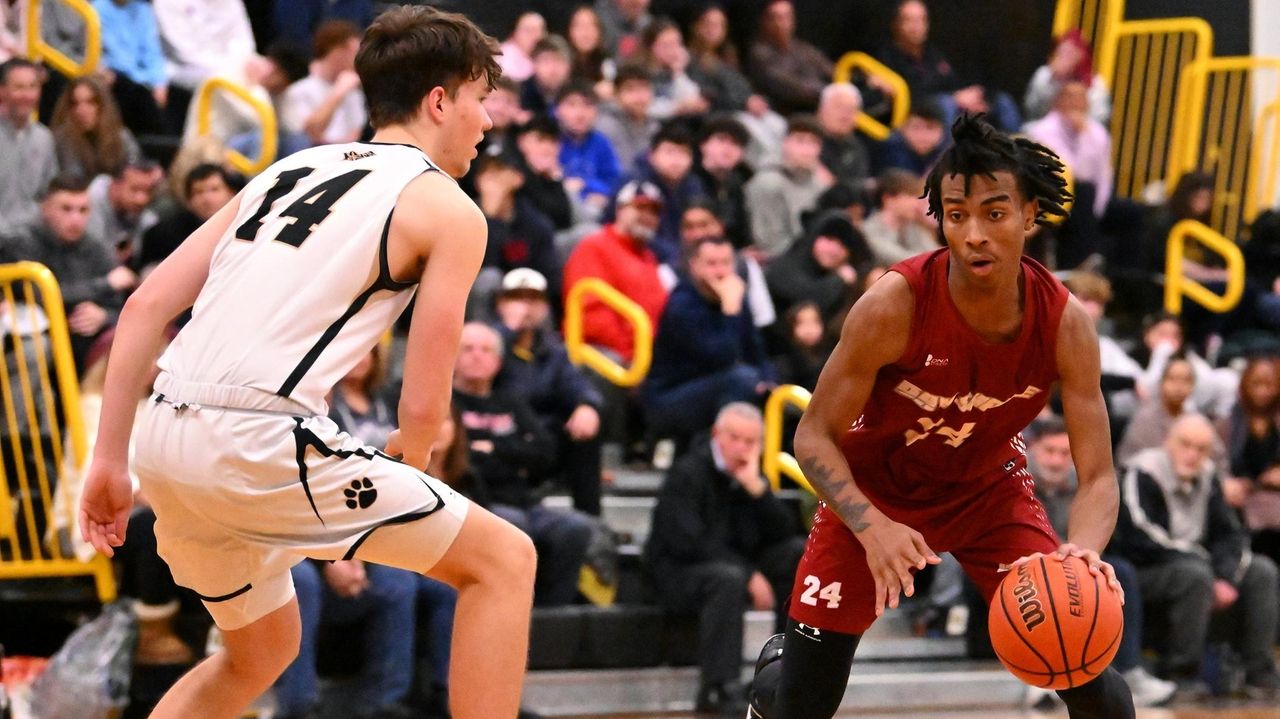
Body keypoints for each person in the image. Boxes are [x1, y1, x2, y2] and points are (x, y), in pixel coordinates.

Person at [77, 9, 536, 719]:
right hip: (257, 435)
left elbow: (142, 307)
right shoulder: (448, 207)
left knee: (261, 649)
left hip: (163, 435)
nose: (487, 123)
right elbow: (421, 407)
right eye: (480, 101)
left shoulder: (288, 169)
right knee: (504, 562)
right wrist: (408, 459)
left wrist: (109, 461)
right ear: (440, 101)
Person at [745, 114, 1136, 719]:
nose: (974, 233)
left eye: (995, 213)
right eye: (957, 215)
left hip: (988, 492)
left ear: (1031, 216)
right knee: (800, 703)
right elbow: (813, 436)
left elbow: (1100, 477)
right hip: (876, 492)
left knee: (1091, 680)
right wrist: (872, 527)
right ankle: (780, 668)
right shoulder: (893, 304)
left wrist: (1081, 551)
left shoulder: (1065, 323)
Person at [645, 402, 804, 715]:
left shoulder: (750, 477)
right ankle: (718, 688)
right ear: (716, 435)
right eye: (734, 438)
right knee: (727, 580)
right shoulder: (687, 472)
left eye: (750, 442)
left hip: (729, 565)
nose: (741, 448)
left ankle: (783, 670)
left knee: (796, 555)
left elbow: (783, 533)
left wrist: (758, 491)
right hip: (675, 571)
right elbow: (687, 542)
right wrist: (749, 575)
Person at [1112, 413, 1280, 698]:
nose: (1192, 455)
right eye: (1185, 445)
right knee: (1194, 576)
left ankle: (1258, 673)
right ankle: (1181, 673)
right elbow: (1141, 535)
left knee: (1262, 571)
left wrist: (1225, 574)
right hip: (1146, 569)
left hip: (1197, 567)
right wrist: (1205, 565)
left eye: (1201, 449)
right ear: (1168, 442)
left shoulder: (1208, 474)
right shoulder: (1141, 471)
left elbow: (1230, 533)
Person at [1026, 417, 1177, 707]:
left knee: (1119, 572)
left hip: (1067, 569)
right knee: (1038, 585)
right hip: (1019, 571)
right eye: (1050, 452)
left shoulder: (1087, 486)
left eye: (1064, 453)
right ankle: (1039, 674)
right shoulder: (1015, 483)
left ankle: (1128, 670)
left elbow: (1107, 537)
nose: (1057, 461)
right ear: (1033, 450)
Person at [642, 235, 776, 445]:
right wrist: (731, 309)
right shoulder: (682, 305)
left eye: (726, 263)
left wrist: (769, 383)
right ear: (694, 266)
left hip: (715, 387)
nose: (721, 271)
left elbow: (756, 351)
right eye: (712, 264)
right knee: (740, 379)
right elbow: (722, 356)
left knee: (778, 390)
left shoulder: (735, 297)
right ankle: (725, 453)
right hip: (669, 399)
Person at [0, 58, 59, 230]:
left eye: (33, 87)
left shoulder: (44, 138)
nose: (27, 95)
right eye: (19, 87)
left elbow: (49, 194)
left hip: (32, 239)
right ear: (2, 91)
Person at [50, 76, 143, 180]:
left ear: (103, 105)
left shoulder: (121, 137)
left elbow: (134, 174)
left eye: (90, 102)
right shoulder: (61, 139)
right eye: (75, 103)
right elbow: (70, 180)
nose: (81, 110)